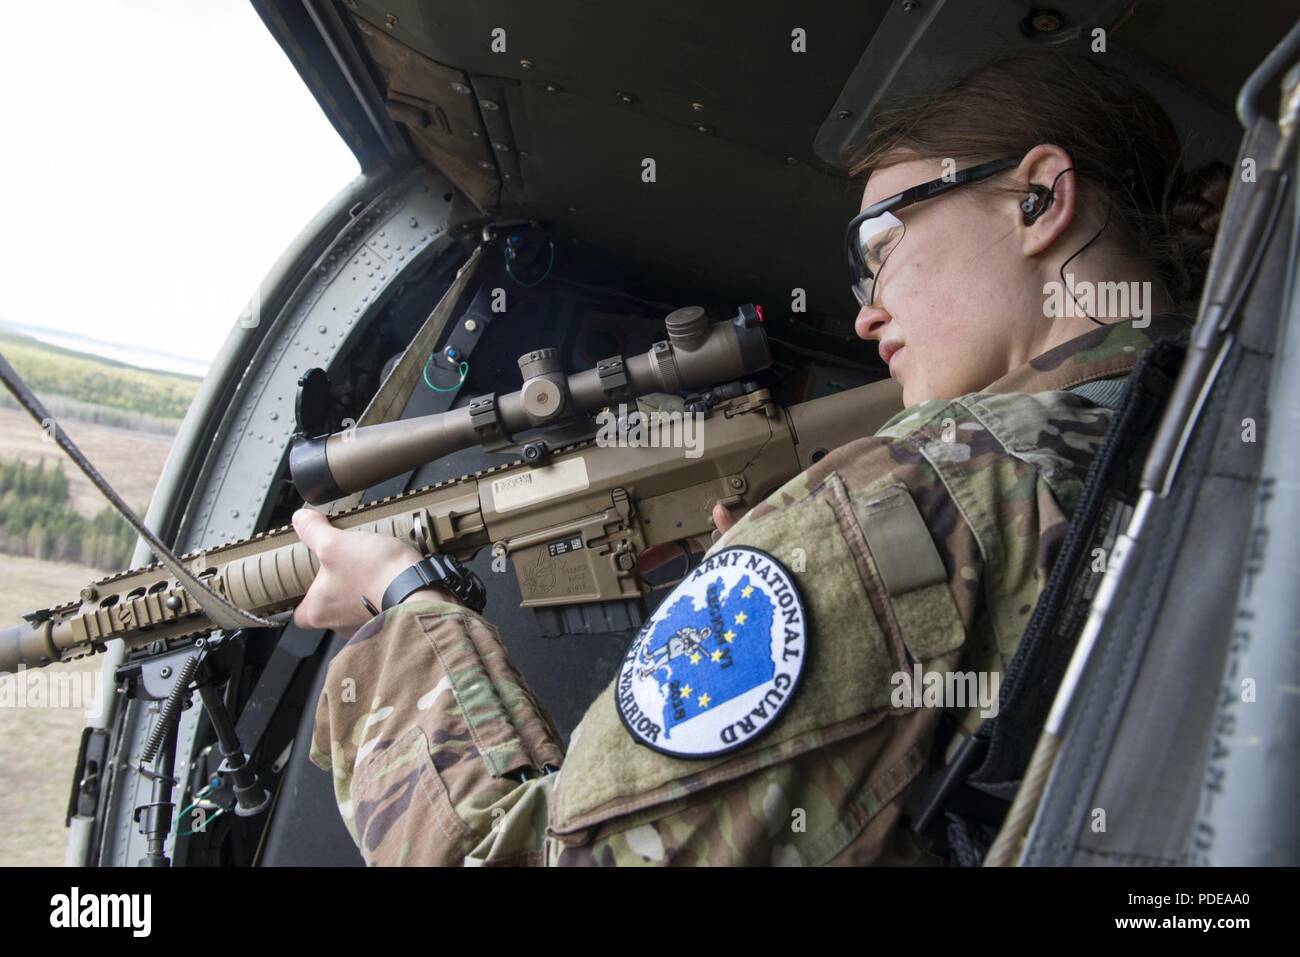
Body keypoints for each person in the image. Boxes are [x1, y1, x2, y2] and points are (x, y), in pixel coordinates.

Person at [294, 49, 1229, 866]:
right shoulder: (1207, 439)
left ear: (1039, 199)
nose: (866, 310)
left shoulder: (912, 490)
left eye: (881, 242)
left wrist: (402, 609)